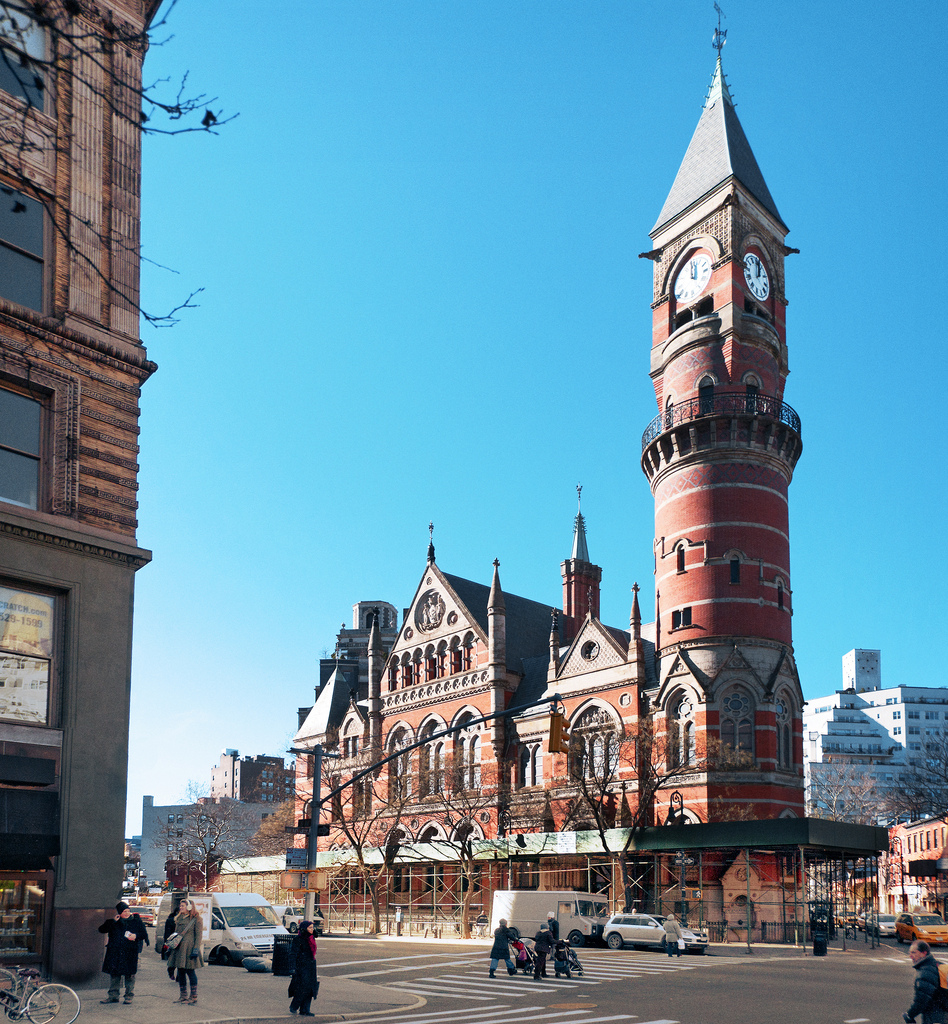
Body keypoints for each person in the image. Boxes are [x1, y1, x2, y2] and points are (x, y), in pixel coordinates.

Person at [98, 902, 149, 1004]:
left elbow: (143, 934)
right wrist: (113, 921)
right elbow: (101, 930)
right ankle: (113, 996)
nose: (127, 913)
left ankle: (128, 996)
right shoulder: (113, 922)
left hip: (130, 953)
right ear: (119, 913)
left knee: (129, 976)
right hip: (115, 953)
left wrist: (136, 936)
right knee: (115, 975)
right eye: (124, 911)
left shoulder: (135, 921)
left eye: (128, 911)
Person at [166, 897, 203, 1004]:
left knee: (190, 972)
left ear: (189, 907)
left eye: (183, 906)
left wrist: (196, 949)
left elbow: (198, 936)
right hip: (179, 948)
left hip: (189, 948)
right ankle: (183, 996)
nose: (180, 907)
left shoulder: (196, 919)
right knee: (180, 972)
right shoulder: (178, 918)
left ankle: (193, 996)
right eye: (180, 906)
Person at [904, 940, 948, 1024]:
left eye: (914, 952)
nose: (910, 956)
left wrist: (910, 1015)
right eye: (910, 953)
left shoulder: (926, 972)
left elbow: (922, 999)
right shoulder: (937, 965)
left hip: (935, 1016)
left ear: (924, 953)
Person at [289, 920, 319, 1015]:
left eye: (312, 927)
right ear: (304, 929)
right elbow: (293, 953)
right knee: (303, 988)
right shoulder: (298, 939)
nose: (312, 929)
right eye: (310, 927)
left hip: (311, 965)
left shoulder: (311, 938)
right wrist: (293, 967)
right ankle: (294, 1005)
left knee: (310, 988)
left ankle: (305, 1010)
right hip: (302, 966)